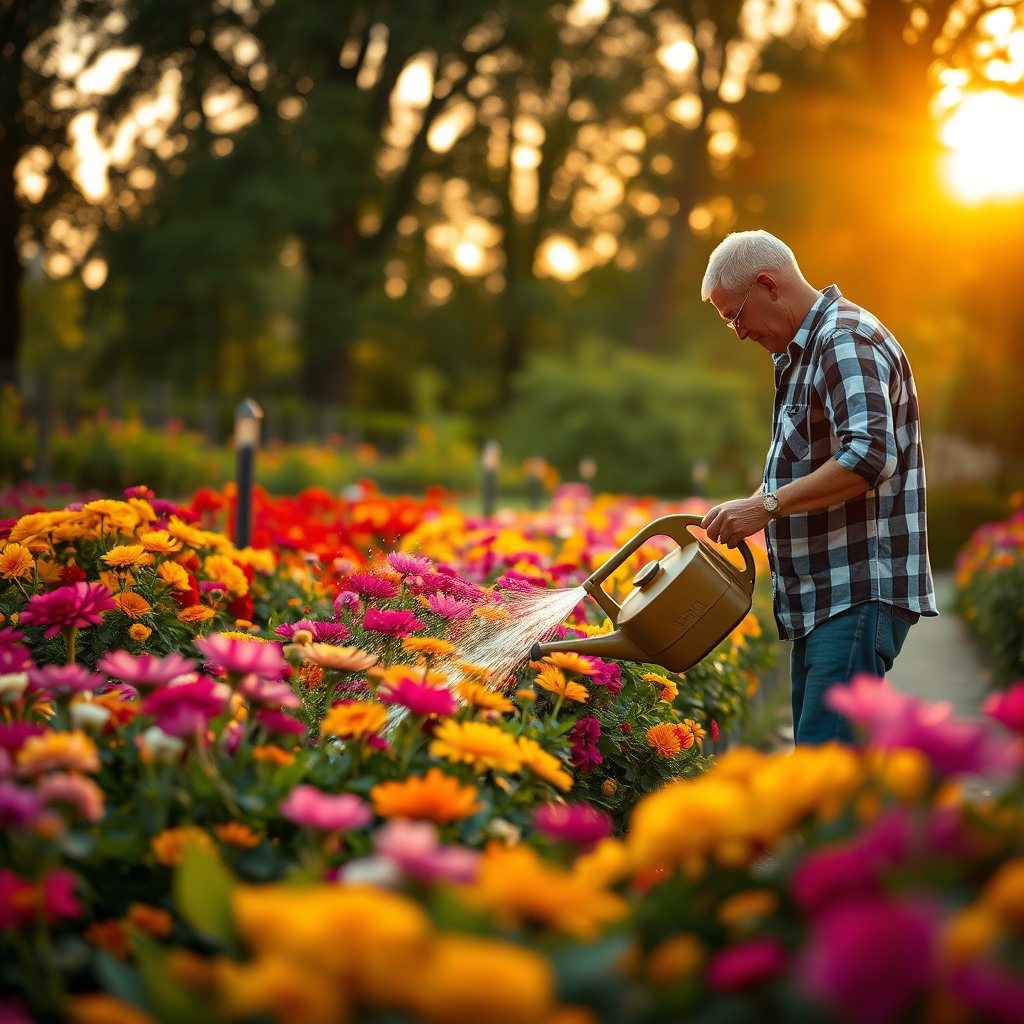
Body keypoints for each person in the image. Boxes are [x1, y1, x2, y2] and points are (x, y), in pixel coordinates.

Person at [698, 230, 937, 744]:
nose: (736, 332)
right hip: (827, 595)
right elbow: (811, 461)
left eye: (733, 315)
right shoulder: (802, 351)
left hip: (854, 590)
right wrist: (754, 501)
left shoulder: (844, 337)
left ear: (768, 284)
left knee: (823, 774)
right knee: (824, 770)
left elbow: (871, 455)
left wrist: (764, 506)